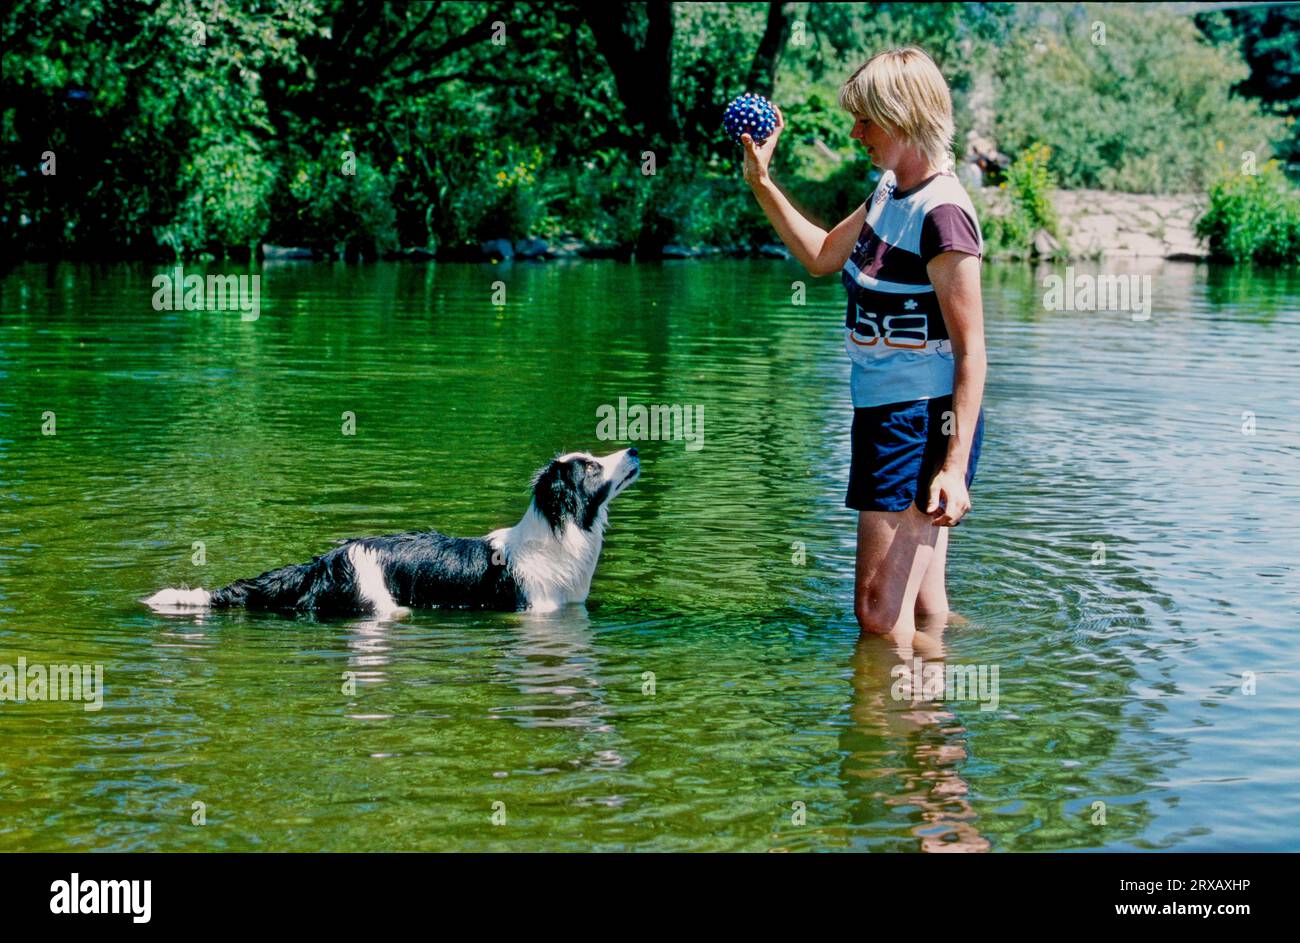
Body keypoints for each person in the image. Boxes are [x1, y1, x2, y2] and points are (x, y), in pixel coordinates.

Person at [742, 47, 987, 637]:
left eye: (865, 120)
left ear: (903, 117)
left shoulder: (942, 215)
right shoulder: (889, 191)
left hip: (921, 421)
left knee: (877, 613)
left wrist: (952, 468)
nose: (855, 133)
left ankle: (880, 727)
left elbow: (972, 350)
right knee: (925, 610)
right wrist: (761, 182)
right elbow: (824, 255)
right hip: (883, 413)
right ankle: (931, 727)